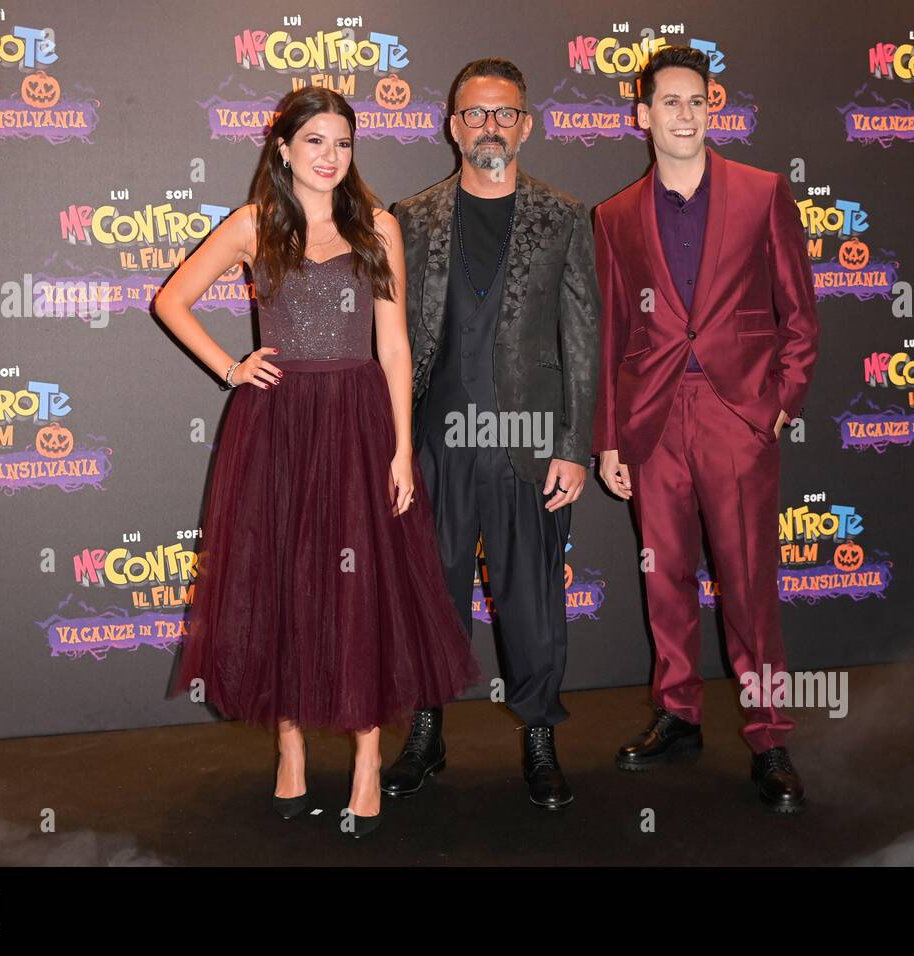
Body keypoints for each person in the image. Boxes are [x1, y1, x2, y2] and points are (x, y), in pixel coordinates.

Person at [157, 86, 481, 839]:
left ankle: (368, 755)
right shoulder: (252, 225)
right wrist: (230, 368)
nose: (330, 157)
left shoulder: (379, 226)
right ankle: (291, 750)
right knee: (284, 582)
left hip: (361, 423)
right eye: (315, 143)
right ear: (283, 150)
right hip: (276, 425)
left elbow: (395, 346)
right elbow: (172, 300)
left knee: (362, 587)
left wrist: (402, 447)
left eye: (341, 143)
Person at [592, 46, 820, 814]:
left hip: (736, 416)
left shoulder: (762, 194)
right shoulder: (615, 216)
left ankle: (768, 734)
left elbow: (799, 311)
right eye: (669, 101)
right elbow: (611, 333)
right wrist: (609, 438)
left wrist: (781, 400)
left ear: (709, 108)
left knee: (750, 585)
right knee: (665, 578)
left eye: (697, 100)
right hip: (652, 419)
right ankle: (678, 714)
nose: (684, 113)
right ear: (642, 114)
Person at [380, 58, 601, 810]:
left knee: (533, 599)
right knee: (430, 599)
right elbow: (391, 338)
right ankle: (426, 732)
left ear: (527, 125)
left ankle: (540, 736)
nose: (490, 128)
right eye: (475, 115)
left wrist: (575, 446)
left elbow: (584, 339)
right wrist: (392, 443)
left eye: (504, 114)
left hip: (530, 444)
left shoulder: (566, 215)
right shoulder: (412, 218)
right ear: (452, 127)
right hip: (435, 445)